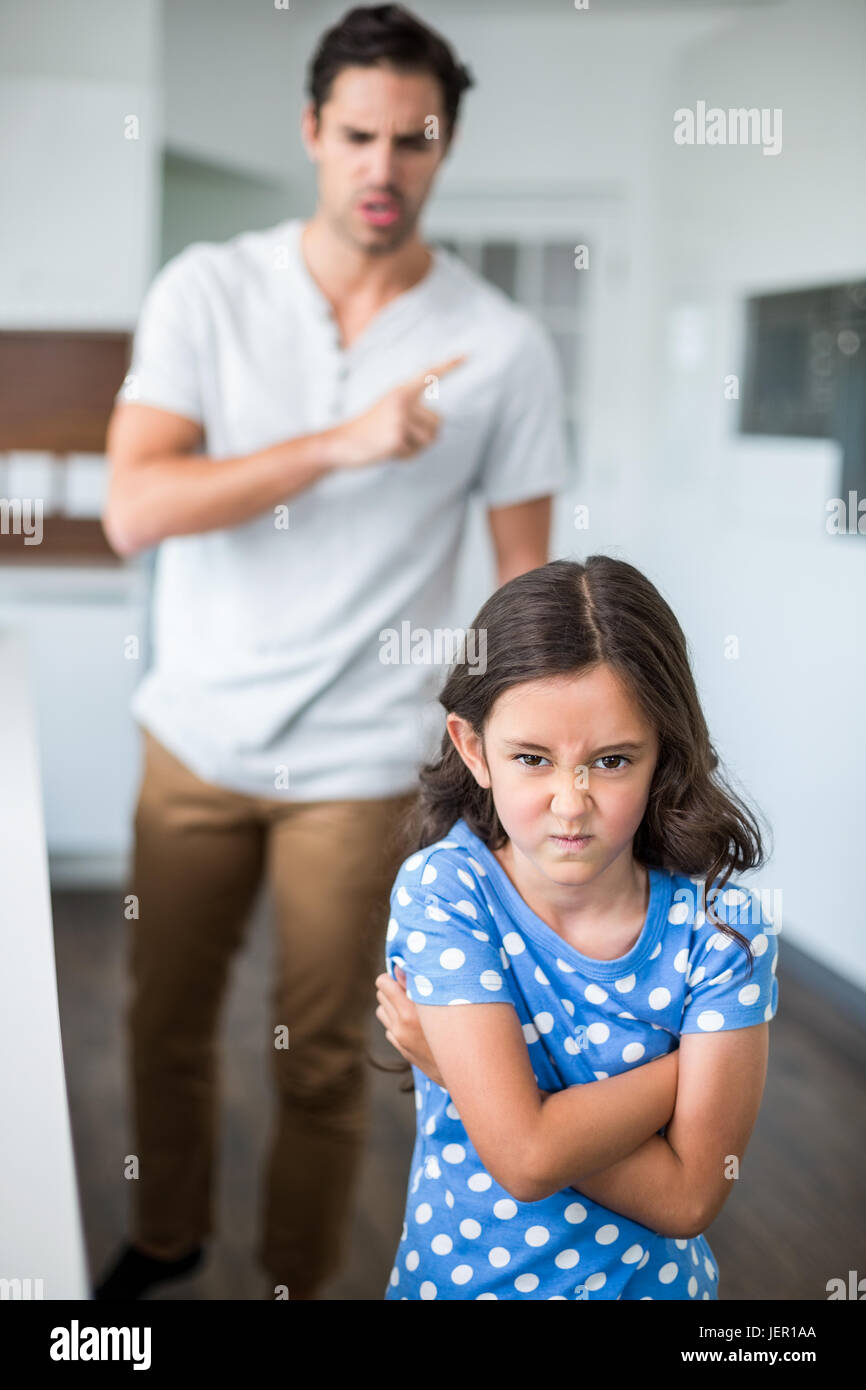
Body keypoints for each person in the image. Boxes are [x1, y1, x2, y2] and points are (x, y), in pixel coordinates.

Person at [93, 4, 568, 1301]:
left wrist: (525, 783)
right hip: (191, 735)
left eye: (412, 140)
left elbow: (524, 595)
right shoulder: (208, 287)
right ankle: (166, 1233)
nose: (381, 166)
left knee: (322, 1053)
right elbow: (135, 508)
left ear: (443, 146)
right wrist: (340, 442)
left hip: (363, 766)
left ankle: (297, 1284)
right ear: (312, 131)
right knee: (161, 1021)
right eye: (357, 134)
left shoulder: (504, 348)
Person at [375, 555, 779, 1300]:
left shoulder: (723, 930)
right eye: (533, 759)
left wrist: (463, 1078)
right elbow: (523, 1159)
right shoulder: (446, 892)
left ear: (662, 755)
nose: (570, 803)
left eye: (612, 760)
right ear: (474, 749)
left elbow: (691, 1199)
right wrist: (690, 1071)